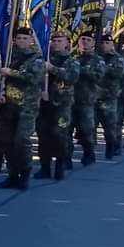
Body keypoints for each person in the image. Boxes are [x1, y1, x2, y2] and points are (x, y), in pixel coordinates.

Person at [0, 26, 46, 191]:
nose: (21, 41)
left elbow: (34, 78)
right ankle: (12, 174)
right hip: (8, 106)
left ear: (31, 40)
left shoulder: (37, 59)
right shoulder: (8, 56)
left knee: (22, 141)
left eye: (25, 38)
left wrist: (11, 73)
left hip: (26, 107)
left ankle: (25, 173)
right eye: (19, 38)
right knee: (6, 141)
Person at [37, 30, 80, 180]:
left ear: (67, 43)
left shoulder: (71, 61)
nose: (56, 44)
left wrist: (52, 69)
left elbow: (72, 77)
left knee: (60, 135)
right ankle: (44, 167)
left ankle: (60, 165)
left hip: (62, 105)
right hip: (44, 102)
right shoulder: (45, 58)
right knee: (43, 136)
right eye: (54, 41)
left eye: (59, 41)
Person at [71, 29, 105, 166]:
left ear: (93, 43)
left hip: (87, 100)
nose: (85, 42)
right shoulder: (72, 58)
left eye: (88, 40)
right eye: (82, 39)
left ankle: (89, 153)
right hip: (69, 100)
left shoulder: (98, 60)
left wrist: (79, 69)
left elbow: (98, 76)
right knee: (66, 130)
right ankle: (66, 158)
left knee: (86, 130)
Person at [96, 33, 124, 159]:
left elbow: (118, 73)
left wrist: (104, 68)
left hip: (109, 96)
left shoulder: (117, 58)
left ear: (112, 44)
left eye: (107, 43)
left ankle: (112, 147)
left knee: (110, 125)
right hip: (94, 96)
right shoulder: (96, 57)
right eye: (102, 43)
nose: (104, 45)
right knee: (91, 125)